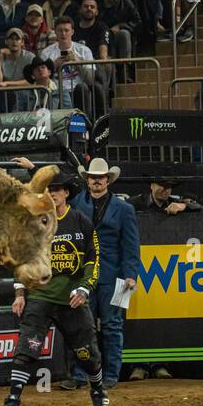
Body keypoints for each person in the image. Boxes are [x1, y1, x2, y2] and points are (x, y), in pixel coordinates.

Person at [2, 168, 109, 406]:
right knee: (27, 348)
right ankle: (12, 399)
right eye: (48, 191)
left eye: (57, 190)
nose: (52, 194)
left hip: (71, 299)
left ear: (66, 193)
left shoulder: (81, 221)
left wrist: (84, 287)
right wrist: (19, 293)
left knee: (87, 353)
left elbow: (93, 260)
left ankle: (98, 391)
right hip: (40, 296)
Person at [127, 165, 202, 381]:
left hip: (166, 267)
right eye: (161, 185)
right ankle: (139, 365)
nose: (165, 190)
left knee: (162, 315)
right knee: (137, 316)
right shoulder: (134, 203)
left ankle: (160, 364)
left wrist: (184, 206)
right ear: (151, 185)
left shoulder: (175, 202)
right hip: (139, 265)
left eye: (169, 187)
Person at [70, 157, 139, 391]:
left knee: (112, 325)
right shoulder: (76, 204)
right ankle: (81, 375)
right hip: (84, 276)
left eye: (100, 177)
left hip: (117, 277)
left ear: (107, 180)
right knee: (82, 326)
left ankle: (111, 375)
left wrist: (131, 276)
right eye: (93, 177)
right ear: (87, 180)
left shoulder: (124, 209)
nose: (97, 181)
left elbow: (131, 246)